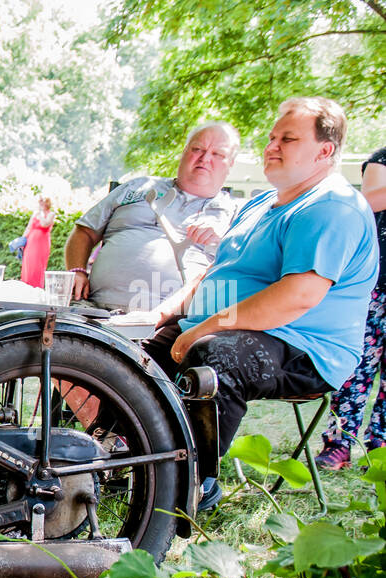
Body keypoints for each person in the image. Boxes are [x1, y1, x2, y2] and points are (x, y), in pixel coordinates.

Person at [134, 98, 378, 510]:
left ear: (325, 151)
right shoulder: (261, 202)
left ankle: (191, 484)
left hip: (304, 346)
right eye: (271, 137)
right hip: (233, 325)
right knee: (131, 355)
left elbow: (297, 296)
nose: (272, 146)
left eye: (289, 138)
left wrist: (202, 328)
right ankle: (111, 457)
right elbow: (213, 274)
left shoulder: (331, 206)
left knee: (214, 356)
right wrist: (158, 316)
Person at [65, 122, 240, 311]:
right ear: (184, 151)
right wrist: (77, 271)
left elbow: (246, 269)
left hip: (172, 322)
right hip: (94, 310)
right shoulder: (138, 187)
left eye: (218, 154)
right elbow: (84, 232)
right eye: (198, 149)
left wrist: (221, 242)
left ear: (230, 164)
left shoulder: (235, 212)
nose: (205, 158)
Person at [315, 146, 386, 469]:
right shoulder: (381, 158)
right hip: (375, 284)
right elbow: (370, 199)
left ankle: (380, 445)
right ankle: (340, 442)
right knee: (357, 372)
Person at [20, 196, 56, 287]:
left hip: (42, 243)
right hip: (31, 242)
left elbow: (45, 224)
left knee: (38, 265)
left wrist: (40, 213)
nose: (41, 203)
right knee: (29, 263)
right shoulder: (35, 213)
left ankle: (37, 286)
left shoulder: (51, 214)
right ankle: (26, 285)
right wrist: (22, 240)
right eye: (40, 202)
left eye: (43, 201)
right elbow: (29, 227)